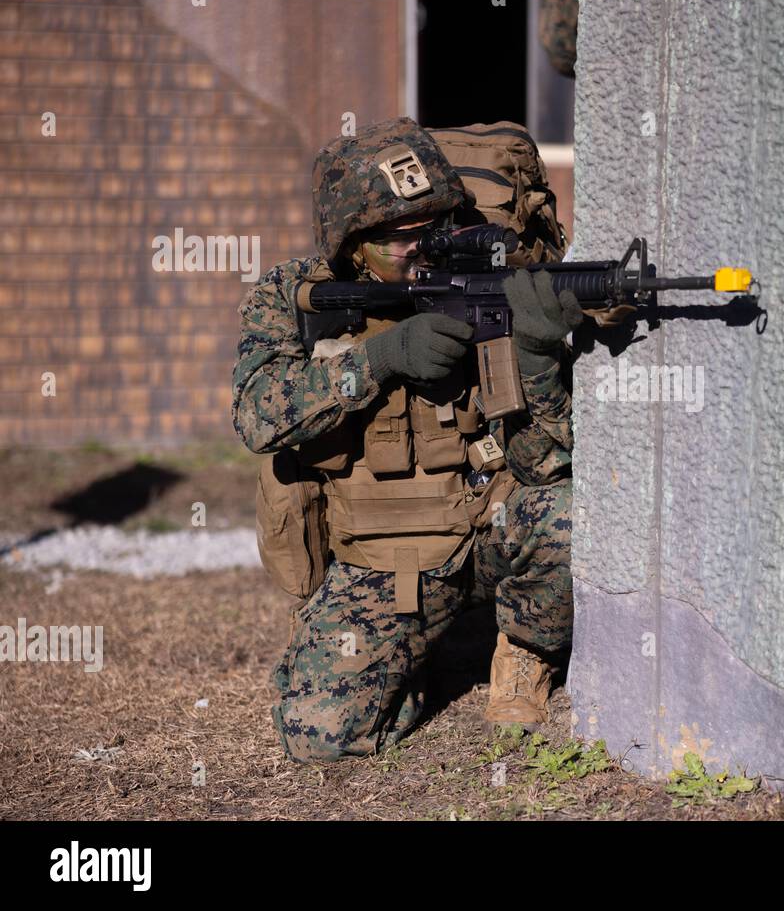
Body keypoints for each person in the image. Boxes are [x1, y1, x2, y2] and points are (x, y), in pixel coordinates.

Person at [231, 117, 580, 763]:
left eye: (435, 227)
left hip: (492, 523)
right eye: (399, 237)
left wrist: (535, 355)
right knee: (320, 734)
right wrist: (382, 357)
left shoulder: (495, 276)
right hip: (382, 554)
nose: (424, 249)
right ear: (350, 244)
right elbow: (257, 415)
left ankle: (526, 648)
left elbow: (547, 463)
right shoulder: (295, 294)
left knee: (570, 517)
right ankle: (406, 658)